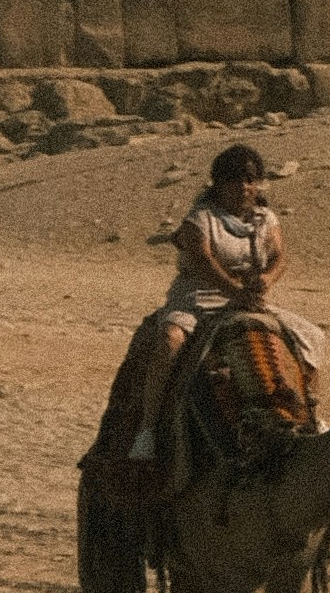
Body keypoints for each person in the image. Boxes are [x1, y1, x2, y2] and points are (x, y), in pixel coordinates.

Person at [134, 142, 317, 477]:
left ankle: (311, 415)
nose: (244, 187)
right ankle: (147, 430)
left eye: (250, 180)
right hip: (198, 297)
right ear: (218, 184)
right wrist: (236, 291)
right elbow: (203, 262)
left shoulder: (266, 219)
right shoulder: (201, 219)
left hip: (249, 299)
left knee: (308, 340)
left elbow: (279, 256)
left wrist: (267, 279)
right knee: (170, 341)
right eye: (234, 180)